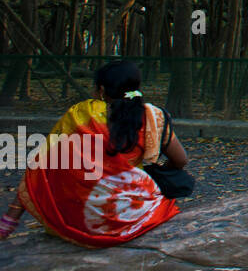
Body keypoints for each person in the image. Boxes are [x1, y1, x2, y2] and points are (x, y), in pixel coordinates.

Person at [0, 60, 188, 247]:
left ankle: (8, 223)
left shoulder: (82, 115)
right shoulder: (154, 117)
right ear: (137, 87)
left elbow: (43, 164)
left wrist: (11, 217)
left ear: (101, 90)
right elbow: (180, 160)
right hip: (132, 217)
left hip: (78, 221)